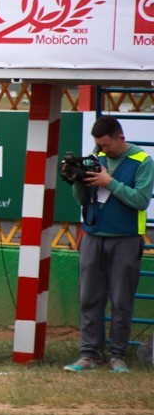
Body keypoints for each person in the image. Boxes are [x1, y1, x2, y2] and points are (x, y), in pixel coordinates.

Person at [65, 117, 154, 373]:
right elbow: (82, 200)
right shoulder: (96, 159)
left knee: (121, 300)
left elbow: (140, 200)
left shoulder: (142, 161)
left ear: (121, 138)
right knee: (89, 298)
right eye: (98, 146)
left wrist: (109, 183)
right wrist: (77, 180)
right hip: (93, 236)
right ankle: (89, 354)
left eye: (107, 145)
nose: (103, 151)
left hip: (125, 238)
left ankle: (118, 355)